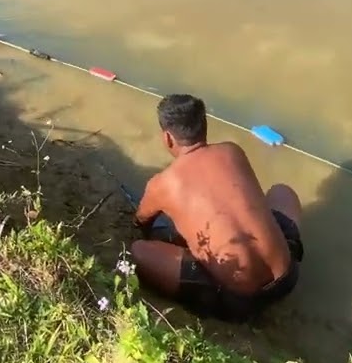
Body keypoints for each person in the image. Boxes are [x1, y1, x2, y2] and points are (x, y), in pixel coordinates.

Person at [130, 94, 305, 322]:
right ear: (205, 126)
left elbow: (141, 223)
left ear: (168, 138)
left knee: (138, 250)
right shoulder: (232, 151)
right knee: (283, 192)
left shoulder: (161, 184)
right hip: (287, 278)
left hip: (238, 300)